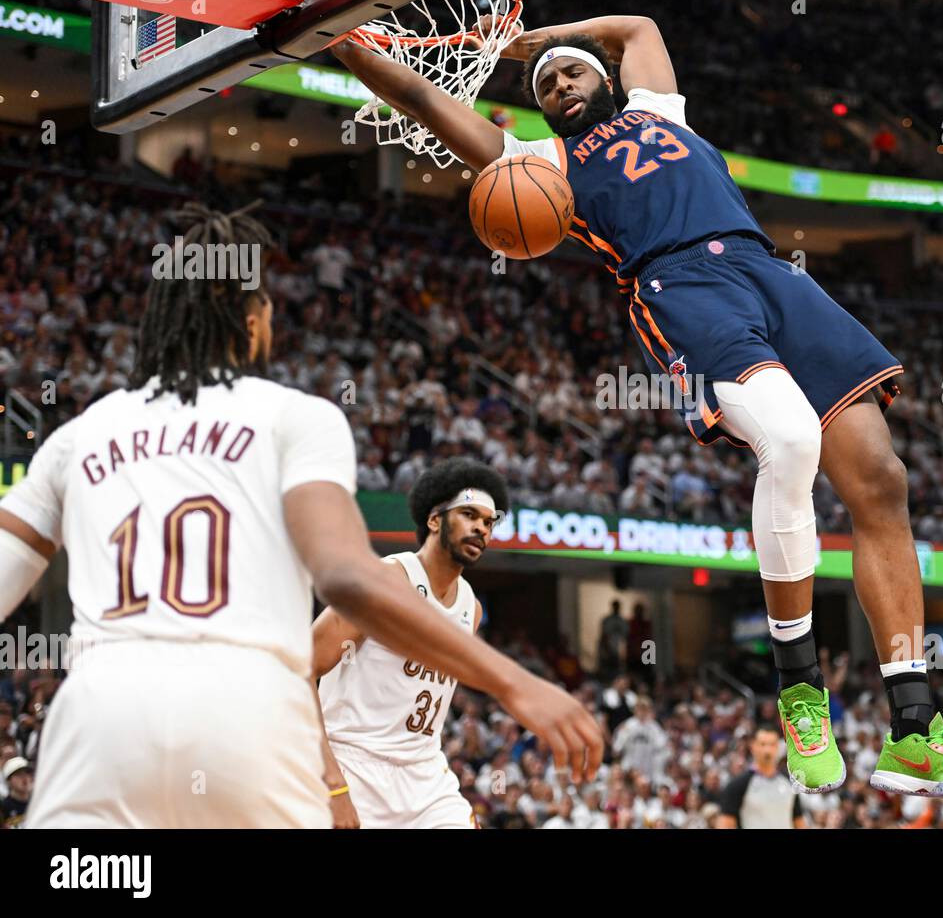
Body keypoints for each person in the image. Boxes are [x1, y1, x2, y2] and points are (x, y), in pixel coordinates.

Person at [332, 10, 943, 800]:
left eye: (571, 72)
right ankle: (799, 692)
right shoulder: (540, 162)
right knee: (788, 441)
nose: (557, 85)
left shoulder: (658, 109)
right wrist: (339, 38)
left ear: (606, 78)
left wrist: (534, 41)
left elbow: (641, 25)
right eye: (545, 85)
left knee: (881, 479)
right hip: (680, 287)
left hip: (768, 271)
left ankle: (917, 729)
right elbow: (422, 99)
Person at [0, 202, 602, 828]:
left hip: (101, 725)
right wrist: (513, 682)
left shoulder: (79, 435)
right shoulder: (296, 419)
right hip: (243, 720)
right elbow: (345, 578)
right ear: (255, 322)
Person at [314, 457, 505, 829]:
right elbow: (299, 669)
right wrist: (332, 785)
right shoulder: (380, 582)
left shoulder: (472, 609)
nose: (481, 528)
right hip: (352, 763)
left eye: (488, 521)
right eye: (469, 514)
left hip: (424, 774)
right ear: (435, 520)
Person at [715, 728, 807, 829]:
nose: (767, 750)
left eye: (772, 744)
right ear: (752, 746)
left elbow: (799, 821)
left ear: (778, 747)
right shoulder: (738, 785)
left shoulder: (790, 783)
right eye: (762, 744)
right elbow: (725, 823)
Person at [598, 599, 628, 679]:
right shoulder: (607, 620)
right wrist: (605, 650)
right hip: (608, 649)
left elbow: (625, 637)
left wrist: (623, 652)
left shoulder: (622, 621)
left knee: (618, 671)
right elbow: (603, 635)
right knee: (608, 671)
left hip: (619, 649)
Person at [1, 756, 32, 828]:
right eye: (19, 774)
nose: (25, 778)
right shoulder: (4, 808)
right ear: (9, 781)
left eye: (27, 773)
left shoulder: (38, 801)